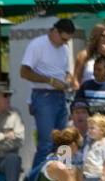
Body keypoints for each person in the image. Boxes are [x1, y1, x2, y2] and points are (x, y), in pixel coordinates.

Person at [20, 18, 76, 169]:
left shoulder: (64, 48)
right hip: (43, 96)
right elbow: (24, 72)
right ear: (54, 31)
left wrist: (68, 81)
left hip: (60, 96)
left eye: (67, 40)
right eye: (63, 39)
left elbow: (66, 72)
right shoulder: (38, 44)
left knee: (64, 143)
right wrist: (50, 81)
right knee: (46, 144)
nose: (65, 43)